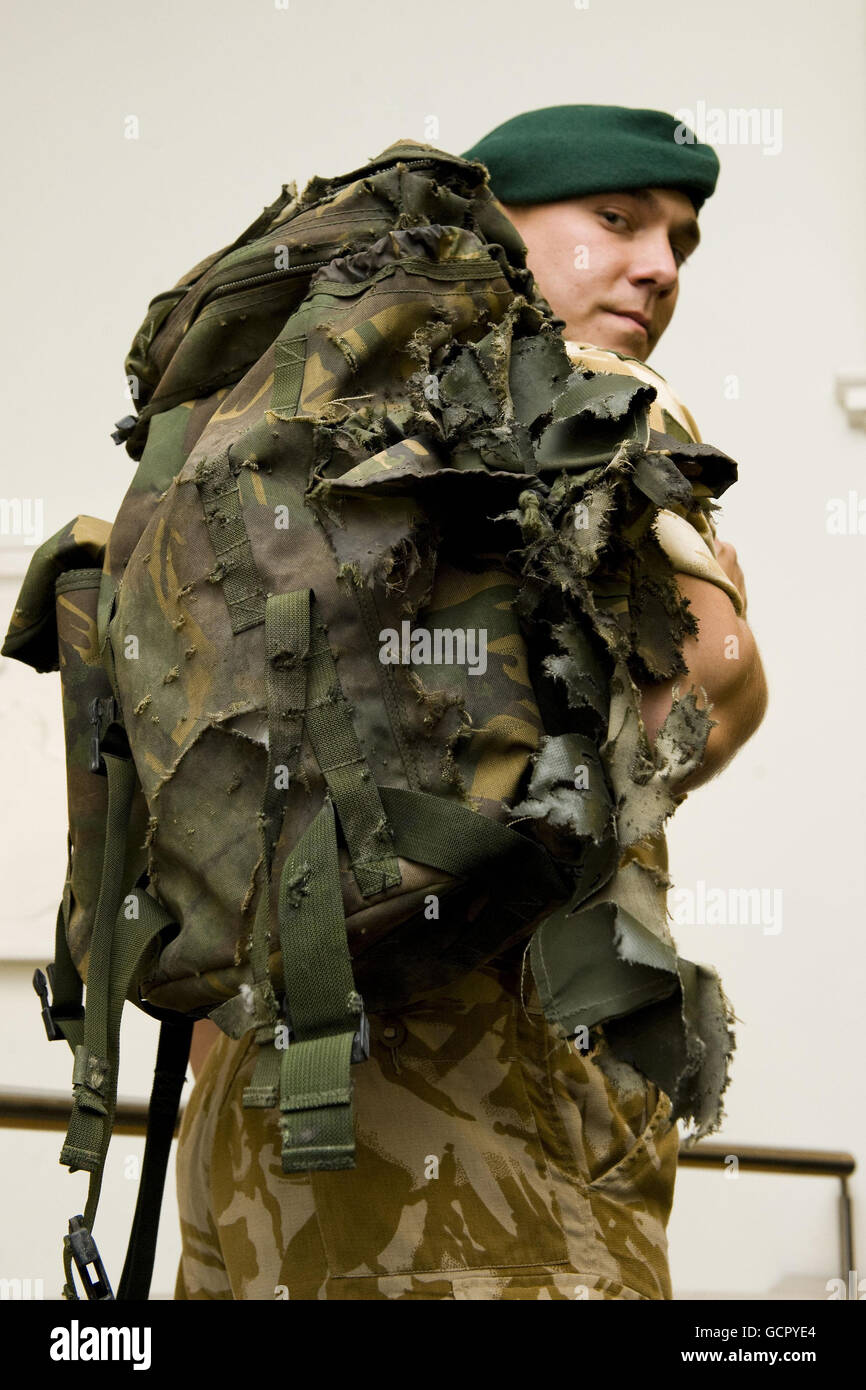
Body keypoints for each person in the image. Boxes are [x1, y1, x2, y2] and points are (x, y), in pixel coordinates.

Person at [174, 105, 768, 1301]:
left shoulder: (291, 424)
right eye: (614, 220)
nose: (657, 265)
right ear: (493, 220)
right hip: (485, 1120)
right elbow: (711, 671)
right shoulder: (592, 398)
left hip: (247, 1120)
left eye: (679, 242)